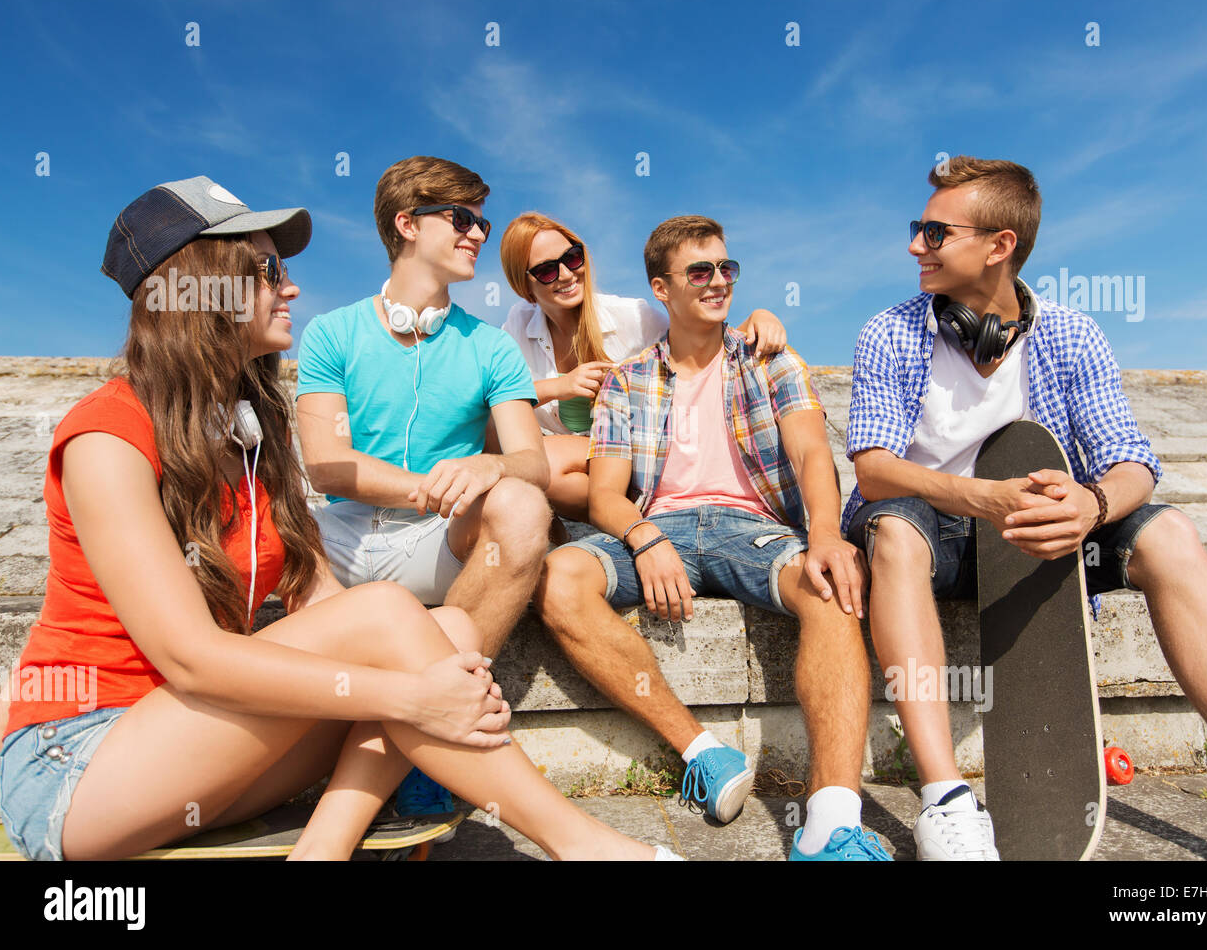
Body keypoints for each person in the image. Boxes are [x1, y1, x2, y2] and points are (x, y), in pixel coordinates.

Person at [0, 176, 676, 861]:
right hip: (81, 768)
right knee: (394, 635)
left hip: (199, 753)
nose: (290, 289)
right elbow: (190, 658)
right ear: (202, 288)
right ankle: (588, 847)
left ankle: (321, 852)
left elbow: (327, 605)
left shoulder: (248, 434)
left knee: (448, 626)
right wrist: (412, 698)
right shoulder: (108, 435)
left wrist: (423, 678)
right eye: (267, 272)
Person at [845, 155, 1207, 861]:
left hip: (1043, 534)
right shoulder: (890, 332)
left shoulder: (1071, 334)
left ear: (1000, 245)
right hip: (930, 528)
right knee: (897, 531)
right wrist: (981, 497)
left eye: (934, 233)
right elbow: (872, 470)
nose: (914, 247)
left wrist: (1092, 503)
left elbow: (1133, 460)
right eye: (916, 229)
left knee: (1170, 531)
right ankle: (947, 800)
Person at [536, 215, 888, 861]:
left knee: (834, 589)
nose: (719, 281)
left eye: (727, 268)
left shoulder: (773, 361)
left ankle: (831, 822)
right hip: (658, 526)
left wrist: (828, 536)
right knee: (559, 578)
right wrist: (643, 536)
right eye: (700, 271)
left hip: (751, 530)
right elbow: (605, 493)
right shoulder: (627, 378)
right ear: (661, 289)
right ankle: (703, 750)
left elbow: (813, 456)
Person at [295, 157, 549, 659]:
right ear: (407, 224)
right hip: (335, 541)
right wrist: (433, 489)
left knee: (522, 505)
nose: (477, 234)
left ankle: (452, 680)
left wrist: (490, 465)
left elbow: (534, 463)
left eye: (482, 222)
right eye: (461, 219)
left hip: (436, 546)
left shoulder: (494, 347)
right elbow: (325, 464)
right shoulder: (330, 332)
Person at [498, 212, 788, 523]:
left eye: (572, 258)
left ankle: (635, 507)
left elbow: (702, 345)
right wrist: (559, 386)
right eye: (546, 271)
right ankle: (618, 510)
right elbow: (490, 398)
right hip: (584, 457)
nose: (567, 274)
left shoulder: (632, 316)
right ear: (523, 285)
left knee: (544, 464)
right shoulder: (518, 324)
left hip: (637, 450)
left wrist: (757, 318)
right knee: (512, 447)